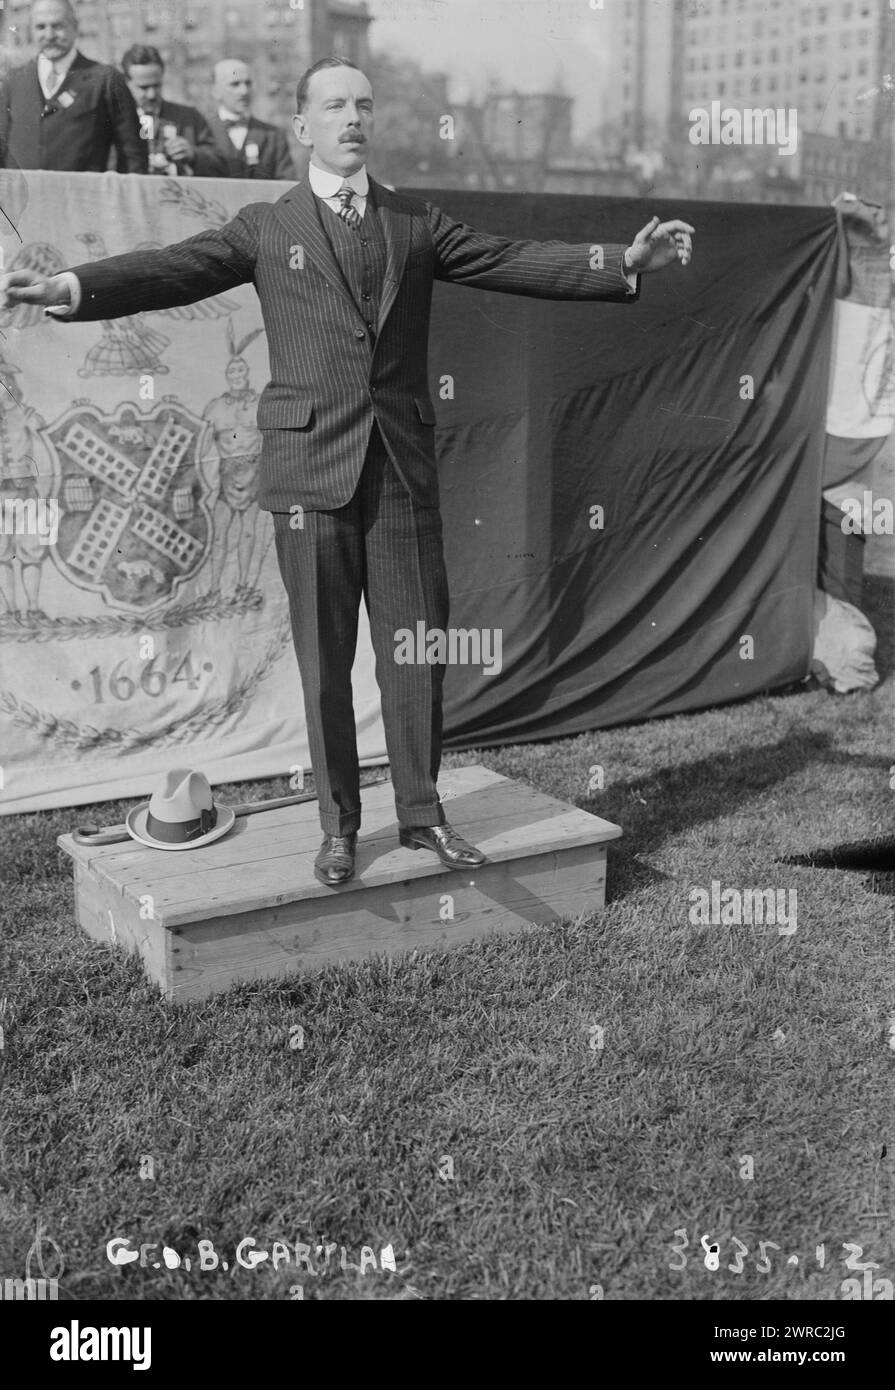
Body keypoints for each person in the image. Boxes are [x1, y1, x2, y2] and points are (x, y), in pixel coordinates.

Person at [0, 56, 694, 888]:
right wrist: (76, 286)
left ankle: (422, 817)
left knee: (413, 652)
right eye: (334, 106)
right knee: (325, 662)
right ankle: (338, 826)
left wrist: (620, 262)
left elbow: (511, 258)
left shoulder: (413, 223)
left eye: (364, 105)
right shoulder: (267, 225)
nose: (352, 118)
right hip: (308, 479)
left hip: (400, 475)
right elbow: (172, 266)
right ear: (302, 126)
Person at [0, 0, 146, 174]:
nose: (49, 34)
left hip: (81, 198)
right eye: (40, 27)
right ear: (31, 30)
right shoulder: (14, 81)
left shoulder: (105, 80)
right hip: (22, 199)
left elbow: (133, 155)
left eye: (58, 26)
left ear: (75, 27)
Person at [120, 44, 228, 178]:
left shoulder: (189, 117)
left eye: (157, 85)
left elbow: (220, 165)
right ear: (126, 83)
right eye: (143, 87)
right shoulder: (116, 121)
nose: (152, 94)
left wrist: (193, 154)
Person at [205, 58, 297, 181]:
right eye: (235, 84)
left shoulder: (273, 136)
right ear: (216, 91)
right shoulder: (203, 132)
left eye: (248, 83)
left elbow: (287, 184)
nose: (244, 91)